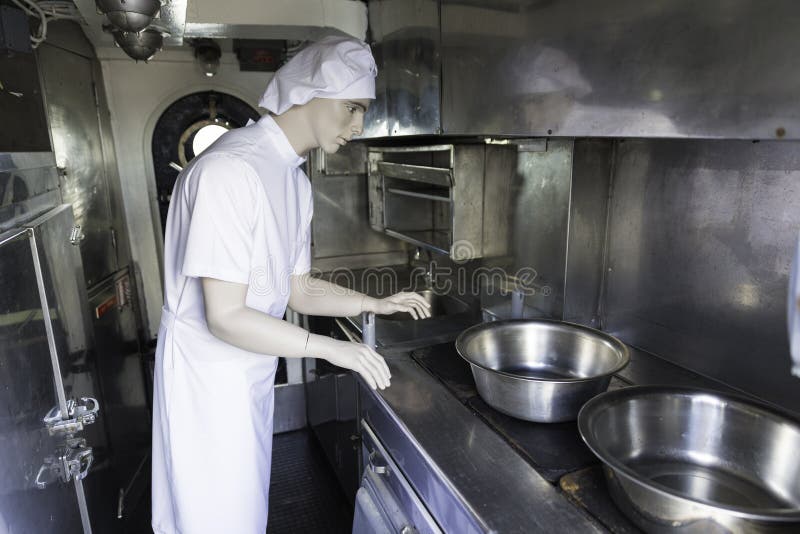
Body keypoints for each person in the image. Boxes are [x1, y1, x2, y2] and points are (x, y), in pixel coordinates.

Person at [151, 36, 430, 534]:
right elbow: (225, 316)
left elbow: (297, 289)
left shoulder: (293, 179)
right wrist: (332, 349)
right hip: (206, 381)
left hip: (247, 371)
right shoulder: (229, 171)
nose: (359, 126)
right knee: (217, 520)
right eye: (351, 107)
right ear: (307, 92)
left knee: (244, 513)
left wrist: (377, 303)